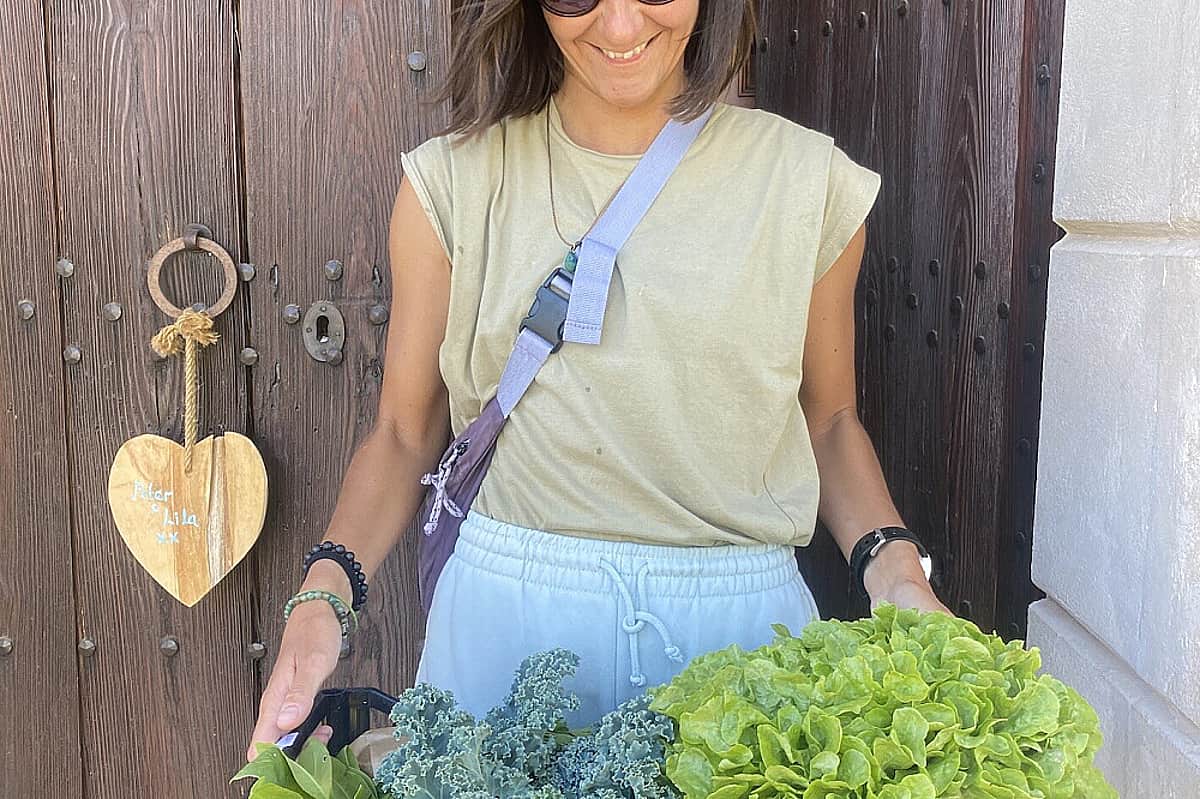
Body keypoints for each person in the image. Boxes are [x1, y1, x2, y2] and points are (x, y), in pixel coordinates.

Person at [247, 0, 951, 760]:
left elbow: (828, 422)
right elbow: (404, 431)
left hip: (741, 645)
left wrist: (898, 573)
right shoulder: (451, 182)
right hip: (507, 629)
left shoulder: (807, 182)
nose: (619, 27)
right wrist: (324, 596)